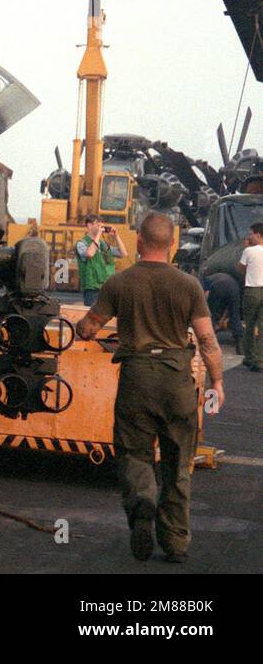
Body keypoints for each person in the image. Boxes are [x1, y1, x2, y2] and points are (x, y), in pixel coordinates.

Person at [76, 212, 225, 564]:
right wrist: (217, 382)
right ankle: (175, 543)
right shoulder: (188, 284)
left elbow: (88, 328)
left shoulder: (120, 282)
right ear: (172, 243)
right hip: (177, 380)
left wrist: (87, 326)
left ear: (140, 241)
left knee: (134, 454)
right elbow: (207, 340)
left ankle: (142, 503)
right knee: (178, 464)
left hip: (137, 379)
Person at [76, 214, 126, 306]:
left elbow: (123, 253)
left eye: (102, 225)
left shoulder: (103, 245)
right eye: (98, 225)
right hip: (92, 289)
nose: (101, 228)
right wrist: (98, 234)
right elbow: (90, 254)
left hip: (107, 287)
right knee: (93, 318)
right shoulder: (81, 243)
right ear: (89, 226)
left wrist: (116, 236)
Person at [237, 223, 263, 372]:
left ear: (258, 235)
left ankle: (249, 358)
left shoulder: (248, 251)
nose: (249, 236)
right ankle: (260, 360)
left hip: (252, 291)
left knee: (250, 326)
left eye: (251, 233)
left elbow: (240, 269)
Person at [204, 271, 243, 354]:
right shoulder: (231, 279)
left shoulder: (205, 279)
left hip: (218, 285)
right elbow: (228, 309)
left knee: (211, 314)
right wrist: (221, 321)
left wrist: (215, 322)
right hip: (234, 288)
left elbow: (205, 296)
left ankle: (209, 343)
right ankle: (240, 346)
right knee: (235, 316)